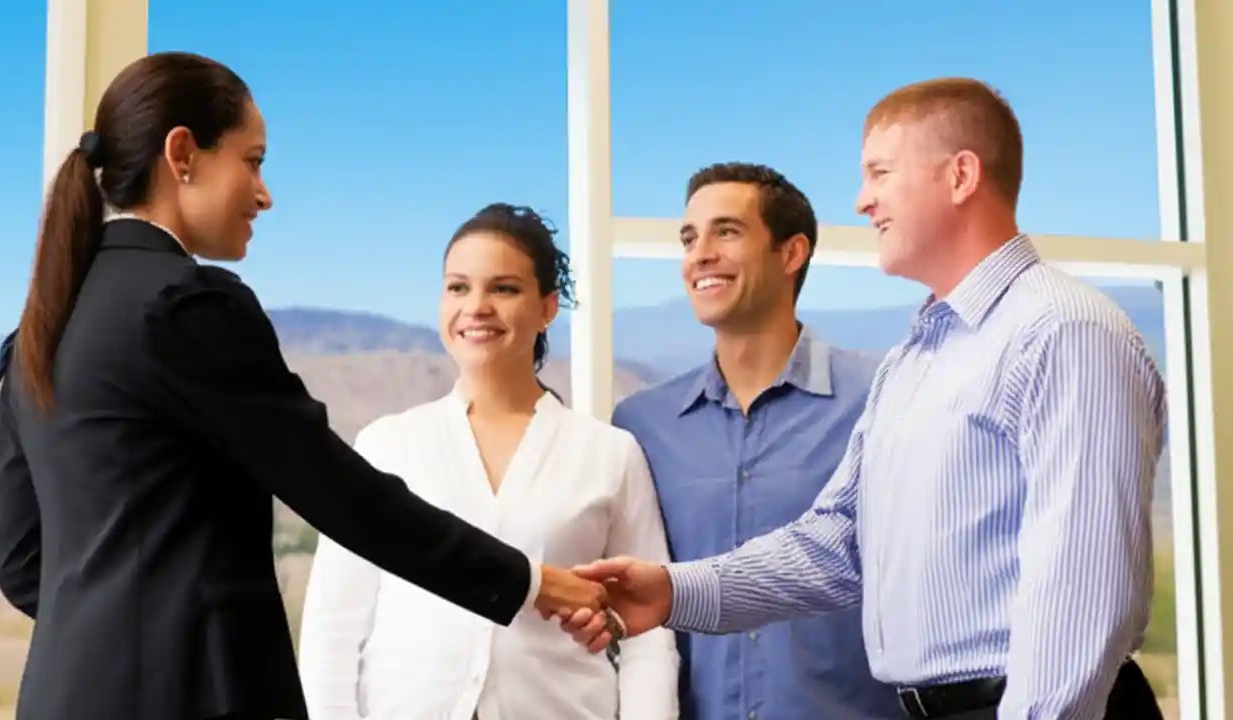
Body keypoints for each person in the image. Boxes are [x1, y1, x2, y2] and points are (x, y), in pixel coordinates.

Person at [0, 52, 607, 720]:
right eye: (251, 161)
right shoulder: (187, 305)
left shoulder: (39, 326)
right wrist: (526, 581)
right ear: (182, 153)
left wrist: (110, 624)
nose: (264, 193)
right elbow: (341, 494)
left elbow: (24, 563)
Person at [563, 78, 1168, 720]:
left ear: (961, 175)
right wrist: (675, 591)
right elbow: (838, 543)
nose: (862, 201)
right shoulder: (914, 359)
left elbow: (1081, 594)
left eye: (880, 172)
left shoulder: (1063, 332)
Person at [296, 202, 680, 719]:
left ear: (547, 308)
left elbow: (649, 639)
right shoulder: (387, 445)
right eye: (458, 287)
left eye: (504, 288)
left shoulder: (609, 453)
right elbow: (333, 629)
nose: (476, 306)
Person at [609, 162, 902, 719]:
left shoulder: (883, 398)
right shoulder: (640, 426)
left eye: (727, 232)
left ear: (791, 254)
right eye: (690, 238)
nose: (699, 254)